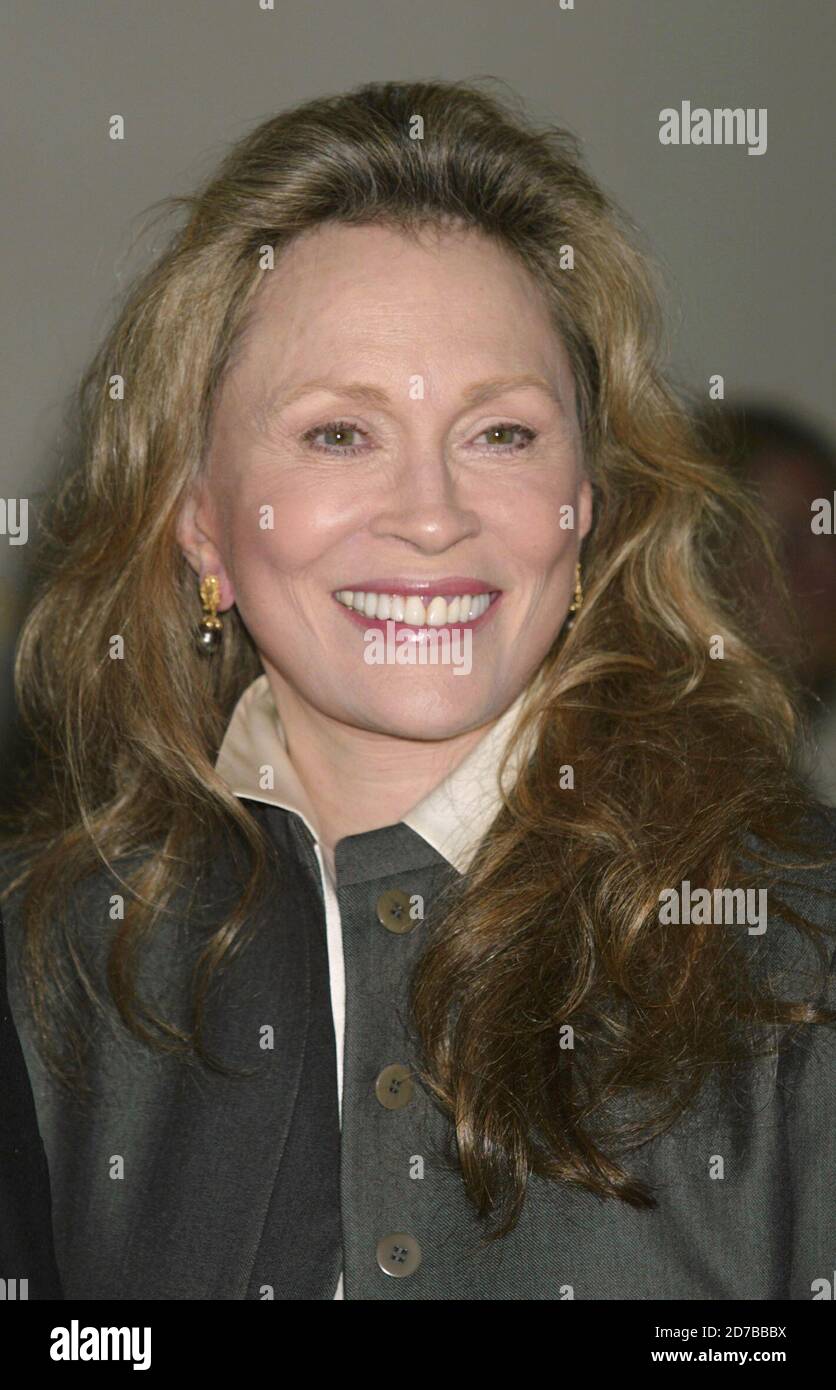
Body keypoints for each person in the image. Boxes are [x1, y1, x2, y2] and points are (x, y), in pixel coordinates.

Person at [1, 78, 834, 1301]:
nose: (433, 517)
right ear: (198, 520)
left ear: (585, 505)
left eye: (501, 434)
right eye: (339, 433)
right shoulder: (48, 961)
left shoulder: (797, 949)